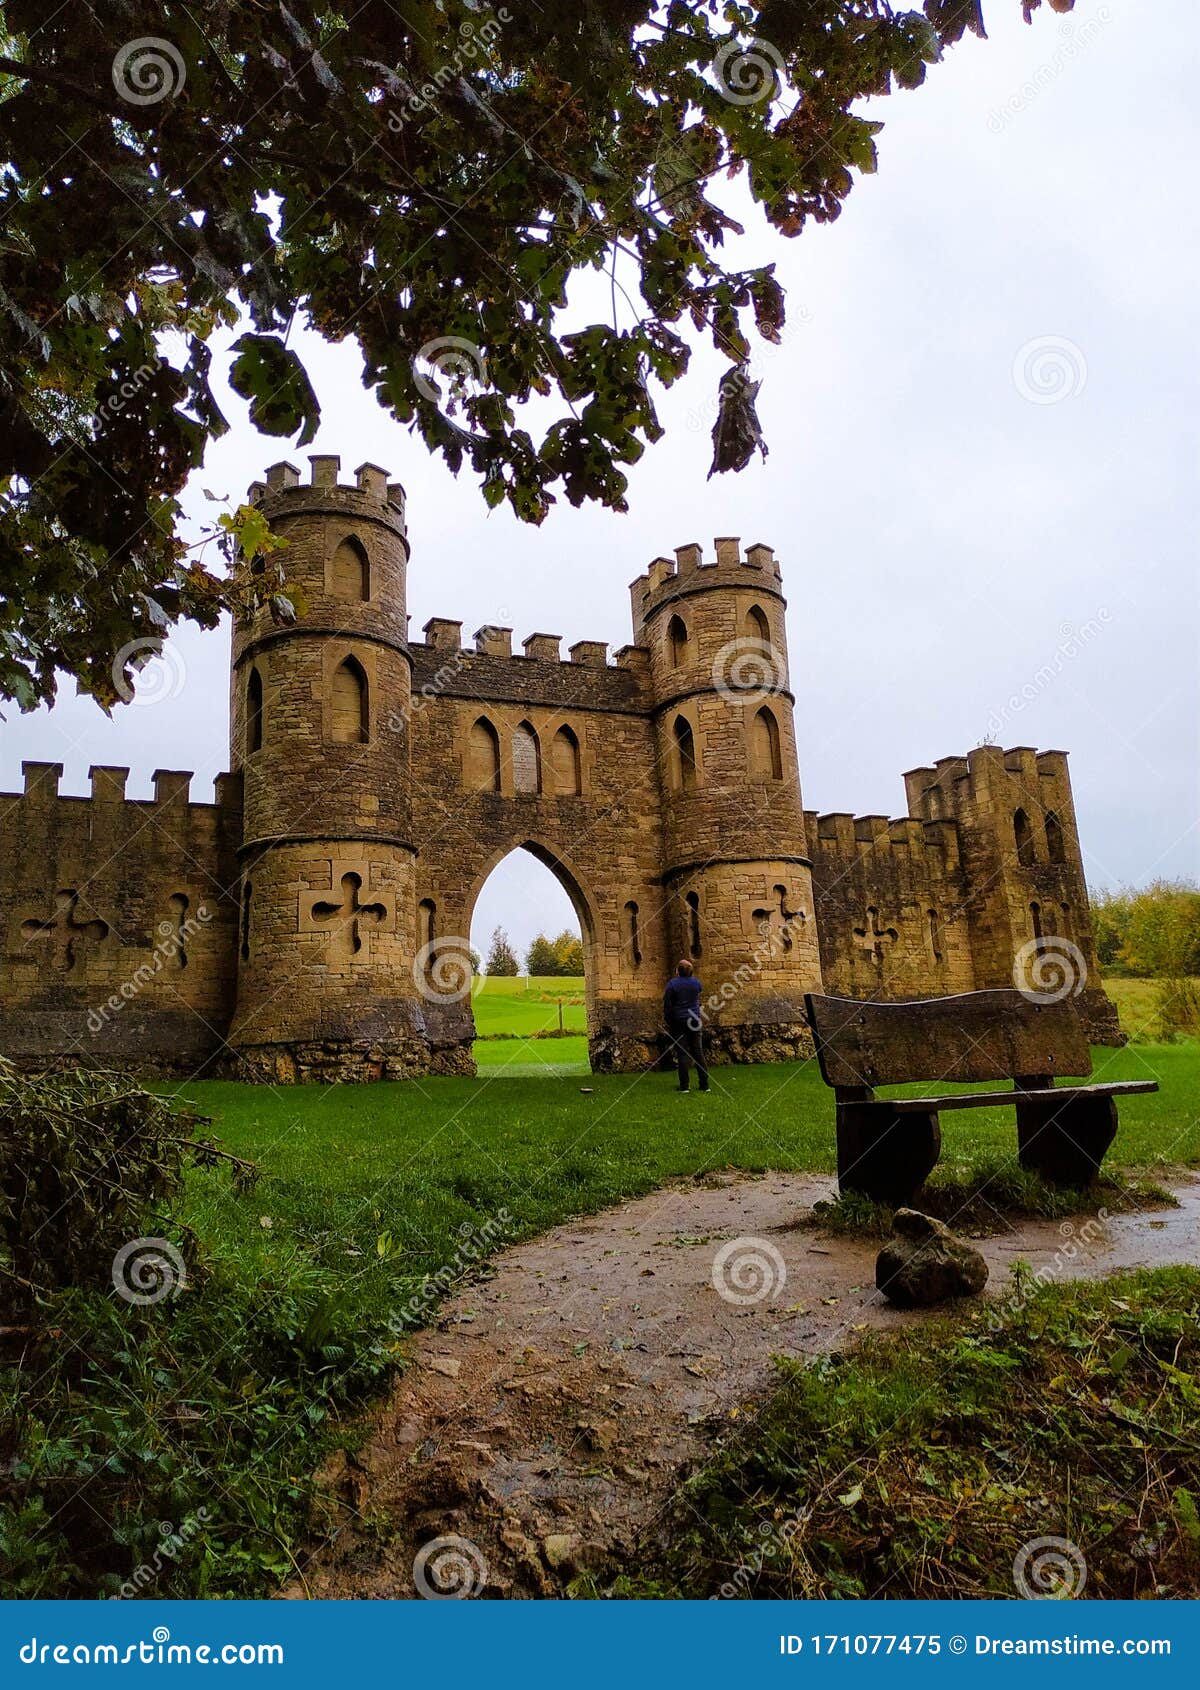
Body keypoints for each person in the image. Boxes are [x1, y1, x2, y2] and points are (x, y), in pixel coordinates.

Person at [663, 958, 709, 1092]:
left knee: (682, 1053)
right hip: (694, 1019)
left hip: (679, 1021)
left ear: (678, 971)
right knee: (698, 1052)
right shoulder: (696, 983)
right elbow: (697, 993)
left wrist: (669, 1020)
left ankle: (684, 1086)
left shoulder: (672, 984)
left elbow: (668, 1005)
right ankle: (704, 1085)